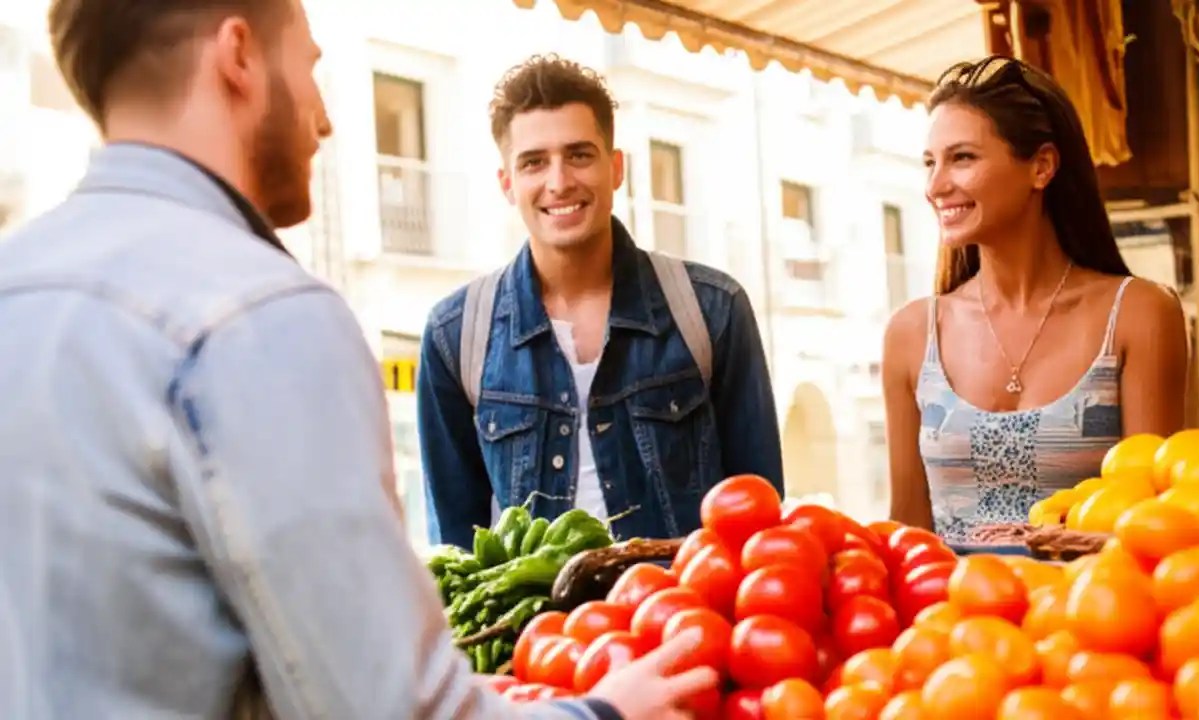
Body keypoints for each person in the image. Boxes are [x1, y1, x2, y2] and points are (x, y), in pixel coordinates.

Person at [0, 2, 715, 718]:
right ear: (239, 55)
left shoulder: (16, 285)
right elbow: (388, 706)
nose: (324, 118)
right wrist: (602, 712)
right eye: (310, 68)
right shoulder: (264, 315)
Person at [417, 55, 784, 548]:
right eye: (533, 162)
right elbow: (455, 548)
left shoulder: (711, 311)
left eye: (579, 155)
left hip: (684, 621)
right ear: (507, 183)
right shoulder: (456, 335)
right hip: (539, 627)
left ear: (616, 169)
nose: (559, 181)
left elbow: (760, 521)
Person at [881, 56, 1189, 543]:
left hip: (1092, 612)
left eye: (962, 158)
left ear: (1041, 166)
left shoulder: (1138, 314)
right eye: (930, 162)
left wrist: (1074, 547)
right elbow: (907, 531)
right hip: (952, 616)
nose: (936, 186)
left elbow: (1153, 526)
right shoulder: (911, 334)